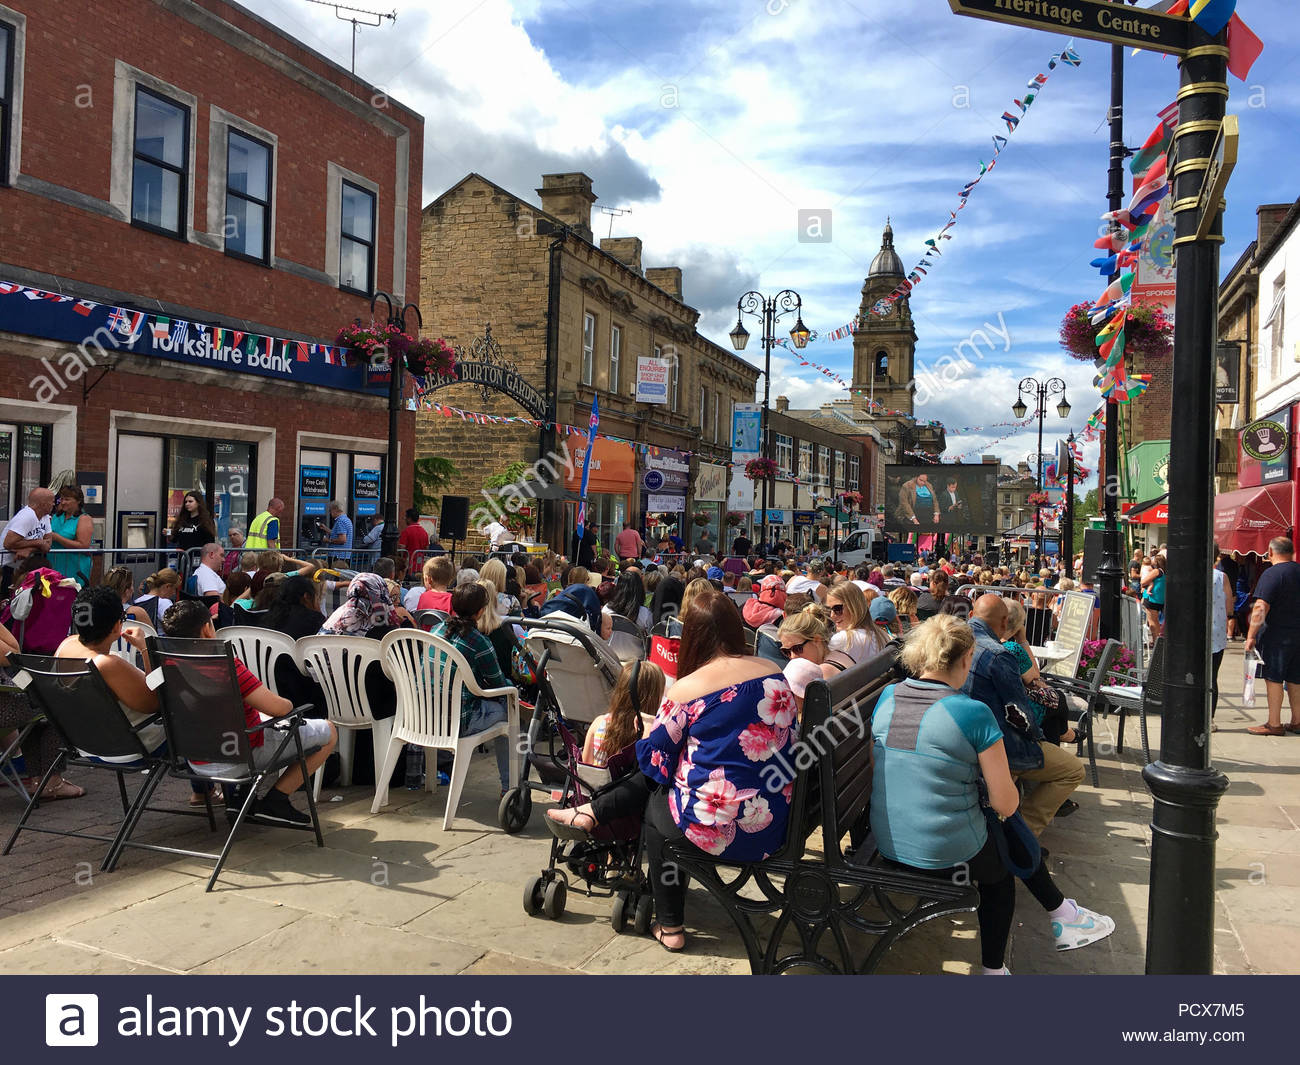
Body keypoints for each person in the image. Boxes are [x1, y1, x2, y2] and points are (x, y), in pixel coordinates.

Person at [547, 594, 799, 952]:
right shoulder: (774, 673)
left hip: (721, 829)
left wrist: (650, 730)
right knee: (665, 781)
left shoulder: (688, 689)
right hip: (774, 818)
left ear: (692, 637)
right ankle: (592, 812)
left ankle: (670, 926)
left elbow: (653, 761)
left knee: (657, 801)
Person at [871, 616, 1114, 974]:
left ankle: (1064, 912)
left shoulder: (889, 696)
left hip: (888, 838)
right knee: (1001, 863)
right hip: (942, 853)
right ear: (968, 658)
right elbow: (1006, 802)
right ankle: (998, 966)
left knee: (999, 831)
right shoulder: (972, 712)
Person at [162, 600, 336, 825]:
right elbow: (280, 708)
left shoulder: (166, 665)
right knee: (329, 731)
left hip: (196, 759)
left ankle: (240, 799)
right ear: (206, 628)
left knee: (250, 723)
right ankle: (277, 799)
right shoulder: (225, 666)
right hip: (238, 757)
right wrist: (286, 702)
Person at [964, 594, 1084, 836]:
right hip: (998, 745)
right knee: (1072, 769)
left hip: (960, 738)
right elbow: (1018, 712)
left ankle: (1012, 827)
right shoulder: (999, 654)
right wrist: (1035, 736)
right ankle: (1022, 835)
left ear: (970, 616)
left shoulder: (954, 641)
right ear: (1005, 621)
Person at [431, 583, 515, 794]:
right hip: (459, 721)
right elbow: (499, 684)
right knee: (513, 713)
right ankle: (510, 786)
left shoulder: (435, 630)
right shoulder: (479, 641)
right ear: (481, 611)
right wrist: (515, 690)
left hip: (425, 717)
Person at [1244, 536, 1300, 736]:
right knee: (1295, 679)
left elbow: (1260, 607)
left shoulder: (1272, 574)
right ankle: (1297, 720)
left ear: (1270, 551)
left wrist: (1251, 635)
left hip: (1277, 636)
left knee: (1274, 678)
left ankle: (1274, 724)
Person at [1001, 600, 1075, 747]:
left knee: (1052, 713)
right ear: (1017, 625)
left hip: (1002, 702)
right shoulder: (1012, 648)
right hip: (1015, 710)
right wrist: (1022, 639)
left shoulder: (987, 641)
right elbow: (1035, 674)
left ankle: (1060, 742)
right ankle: (1065, 734)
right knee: (1056, 700)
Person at [582, 661, 666, 767]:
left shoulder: (599, 723)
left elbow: (585, 767)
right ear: (655, 698)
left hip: (601, 783)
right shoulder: (654, 733)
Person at [778, 607, 855, 710]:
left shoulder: (820, 674)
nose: (792, 656)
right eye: (786, 651)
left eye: (797, 649)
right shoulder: (838, 655)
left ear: (816, 640)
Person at [1, 487, 54, 594]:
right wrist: (38, 542)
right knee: (7, 599)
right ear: (43, 504)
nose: (54, 504)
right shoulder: (27, 516)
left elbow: (48, 543)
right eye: (52, 502)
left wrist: (29, 549)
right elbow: (8, 543)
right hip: (6, 566)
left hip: (21, 567)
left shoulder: (44, 517)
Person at [826, 580, 886, 664]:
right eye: (828, 609)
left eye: (837, 609)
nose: (832, 615)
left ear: (854, 607)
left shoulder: (843, 639)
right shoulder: (881, 635)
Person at [48, 485, 93, 587]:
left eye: (67, 499)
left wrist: (57, 537)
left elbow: (83, 545)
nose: (63, 502)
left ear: (78, 501)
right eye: (62, 499)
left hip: (75, 566)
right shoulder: (56, 517)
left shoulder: (84, 518)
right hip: (54, 564)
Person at [1211, 551, 1231, 730]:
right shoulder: (1222, 577)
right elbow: (1229, 606)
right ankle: (1209, 719)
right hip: (1216, 634)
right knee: (1212, 677)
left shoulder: (1188, 574)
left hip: (1192, 634)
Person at [167, 490, 218, 557]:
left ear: (198, 503)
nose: (187, 504)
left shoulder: (205, 521)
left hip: (198, 558)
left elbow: (210, 541)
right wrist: (168, 533)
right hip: (182, 558)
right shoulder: (182, 520)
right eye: (186, 502)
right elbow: (174, 539)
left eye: (190, 501)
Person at [605, 570, 653, 634]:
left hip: (606, 644)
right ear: (639, 589)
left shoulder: (607, 609)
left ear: (618, 588)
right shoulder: (645, 614)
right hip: (635, 644)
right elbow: (650, 635)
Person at [1141, 553, 1166, 643]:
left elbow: (1143, 582)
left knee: (1152, 623)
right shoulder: (1165, 571)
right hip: (1160, 599)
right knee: (1156, 622)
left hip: (1152, 598)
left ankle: (1157, 643)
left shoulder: (1156, 571)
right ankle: (1158, 642)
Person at [321, 502, 353, 566]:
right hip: (344, 556)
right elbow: (338, 533)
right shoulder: (346, 520)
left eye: (330, 510)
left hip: (337, 556)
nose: (330, 513)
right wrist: (326, 529)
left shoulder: (340, 521)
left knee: (335, 575)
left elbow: (342, 540)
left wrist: (328, 540)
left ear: (335, 509)